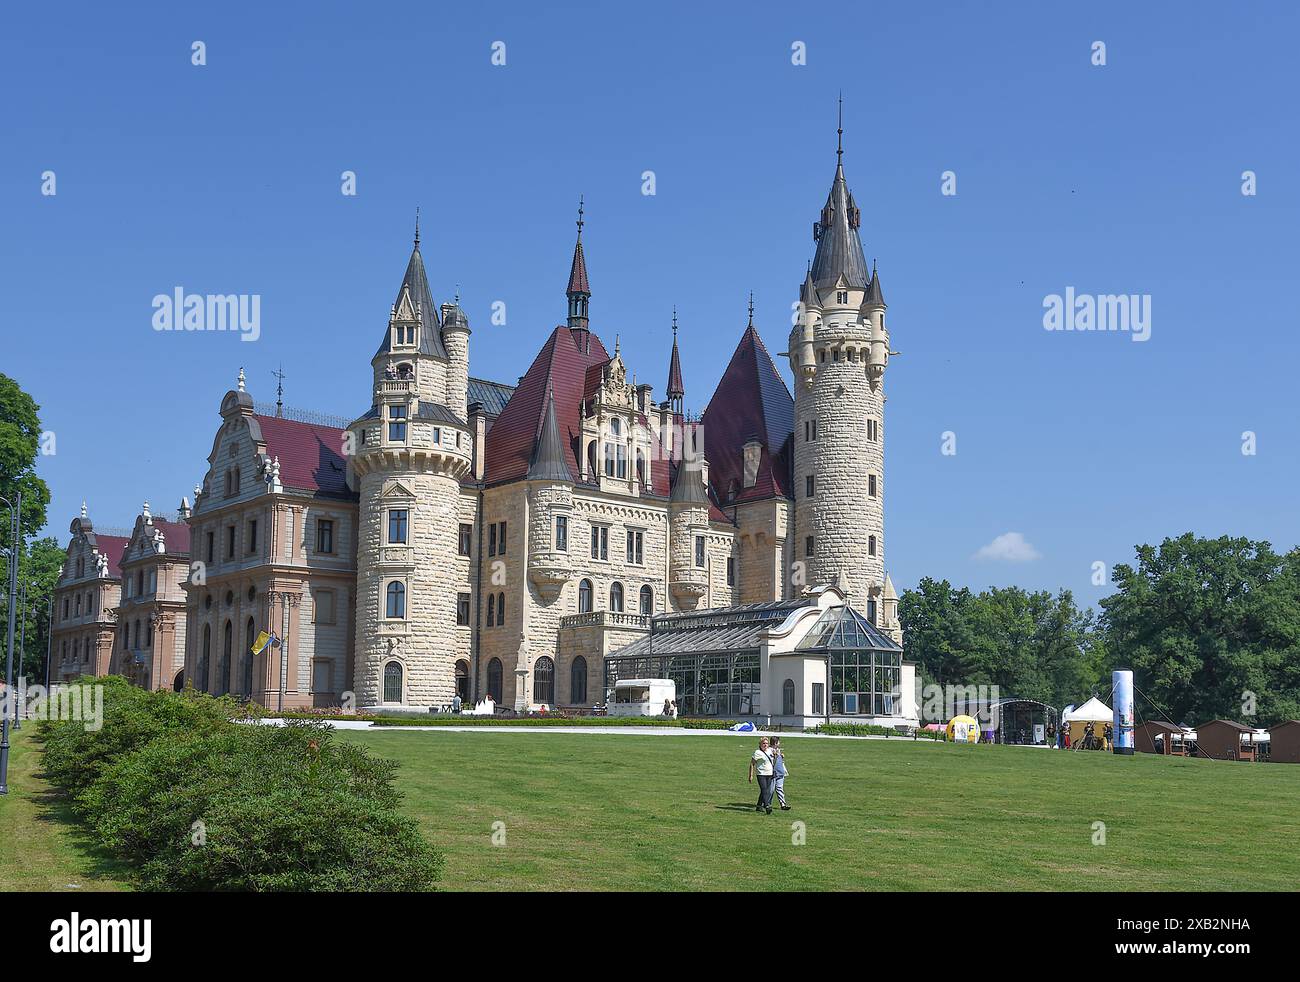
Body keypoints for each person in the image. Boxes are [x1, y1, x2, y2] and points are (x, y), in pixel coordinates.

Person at [747, 737, 774, 814]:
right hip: (761, 774)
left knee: (765, 791)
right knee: (764, 789)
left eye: (766, 743)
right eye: (763, 743)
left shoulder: (770, 751)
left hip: (769, 773)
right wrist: (751, 775)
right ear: (760, 744)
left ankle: (759, 806)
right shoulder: (757, 752)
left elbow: (773, 759)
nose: (765, 745)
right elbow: (752, 764)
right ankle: (767, 805)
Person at [770, 736, 790, 810]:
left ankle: (783, 804)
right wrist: (775, 755)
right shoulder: (769, 750)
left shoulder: (778, 750)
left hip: (780, 772)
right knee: (770, 790)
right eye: (778, 742)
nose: (779, 743)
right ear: (775, 742)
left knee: (780, 789)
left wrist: (781, 756)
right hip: (773, 773)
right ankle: (768, 804)